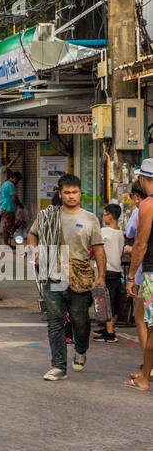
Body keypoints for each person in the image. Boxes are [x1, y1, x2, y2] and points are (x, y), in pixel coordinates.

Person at [28, 173, 105, 381]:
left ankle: (81, 349)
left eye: (75, 192)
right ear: (60, 194)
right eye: (67, 193)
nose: (72, 196)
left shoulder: (90, 219)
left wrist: (101, 277)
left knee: (80, 320)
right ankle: (58, 366)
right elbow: (32, 234)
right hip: (53, 274)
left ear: (80, 193)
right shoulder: (48, 216)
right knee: (55, 321)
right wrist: (35, 252)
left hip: (80, 277)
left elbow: (98, 249)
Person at [126, 160, 153, 389]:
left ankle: (146, 378)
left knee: (150, 326)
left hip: (152, 273)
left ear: (143, 180)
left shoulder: (147, 205)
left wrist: (132, 274)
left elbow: (141, 244)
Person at [97, 202, 125, 344]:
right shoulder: (120, 233)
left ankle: (109, 332)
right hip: (117, 271)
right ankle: (108, 328)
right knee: (112, 300)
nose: (103, 216)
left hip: (107, 270)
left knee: (107, 302)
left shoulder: (104, 232)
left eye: (105, 214)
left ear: (111, 216)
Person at [0, 171, 21, 244]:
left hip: (5, 207)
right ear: (14, 178)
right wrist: (20, 204)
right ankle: (5, 244)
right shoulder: (10, 184)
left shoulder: (5, 184)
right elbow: (14, 197)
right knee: (7, 226)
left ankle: (7, 243)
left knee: (8, 226)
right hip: (7, 208)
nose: (17, 182)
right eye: (17, 180)